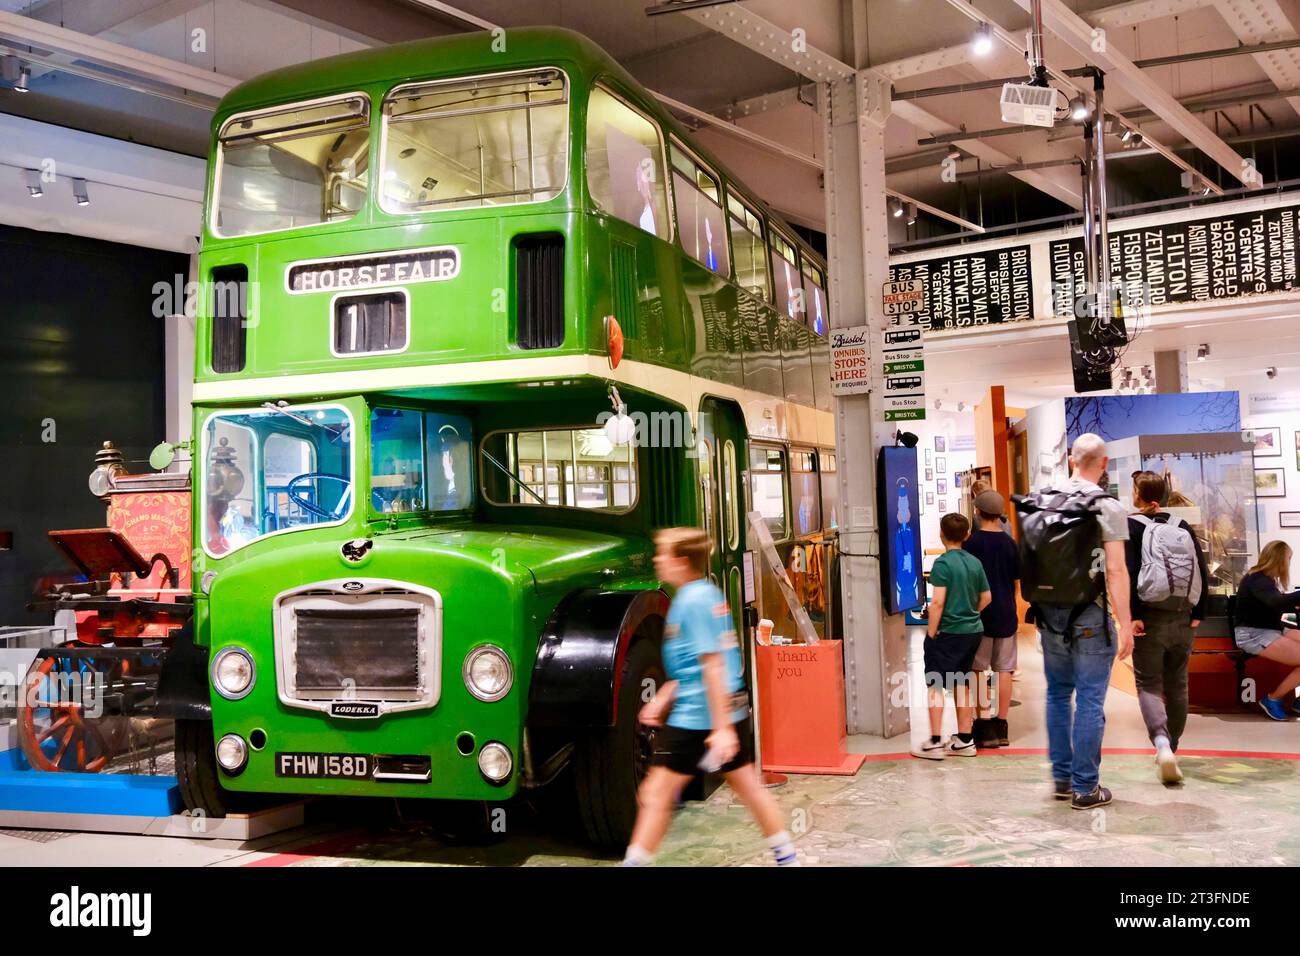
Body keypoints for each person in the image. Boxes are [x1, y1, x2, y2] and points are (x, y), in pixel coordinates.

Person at [624, 528, 798, 866]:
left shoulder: (692, 602)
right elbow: (696, 662)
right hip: (718, 711)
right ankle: (788, 859)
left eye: (663, 553)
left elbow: (713, 665)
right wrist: (665, 695)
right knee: (750, 790)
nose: (657, 559)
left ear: (682, 561)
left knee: (655, 795)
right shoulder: (703, 595)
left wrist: (719, 730)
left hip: (698, 718)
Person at [1021, 433, 1133, 810]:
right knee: (1089, 698)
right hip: (1089, 615)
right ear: (1102, 465)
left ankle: (1062, 779)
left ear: (1071, 460)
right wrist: (1126, 622)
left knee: (1056, 694)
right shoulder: (1107, 507)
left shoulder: (1043, 500)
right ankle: (1086, 787)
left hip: (1049, 616)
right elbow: (1115, 571)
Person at [1125, 471, 1208, 784]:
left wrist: (1132, 615)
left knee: (1148, 683)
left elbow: (1130, 572)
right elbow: (1200, 566)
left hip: (1149, 617)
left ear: (1143, 496)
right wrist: (1199, 612)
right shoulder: (1181, 525)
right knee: (1178, 684)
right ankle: (1173, 747)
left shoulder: (1132, 525)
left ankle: (1161, 745)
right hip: (1184, 617)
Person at [914, 512, 991, 760]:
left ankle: (935, 742)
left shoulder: (943, 564)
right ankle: (965, 740)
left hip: (948, 632)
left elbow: (937, 602)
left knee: (935, 683)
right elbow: (986, 597)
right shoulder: (975, 562)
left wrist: (932, 632)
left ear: (941, 534)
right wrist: (970, 614)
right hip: (973, 632)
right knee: (961, 681)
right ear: (967, 535)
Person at [964, 490, 1020, 749]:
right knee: (1005, 670)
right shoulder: (1010, 544)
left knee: (978, 669)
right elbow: (1016, 583)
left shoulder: (972, 544)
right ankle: (1002, 724)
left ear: (977, 512)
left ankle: (984, 724)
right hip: (1006, 613)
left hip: (980, 615)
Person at [1234, 540, 1300, 720]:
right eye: (1288, 559)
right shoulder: (1257, 579)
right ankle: (1273, 699)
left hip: (1272, 629)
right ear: (1280, 560)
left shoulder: (1266, 580)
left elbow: (1277, 604)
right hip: (1253, 634)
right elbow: (1277, 602)